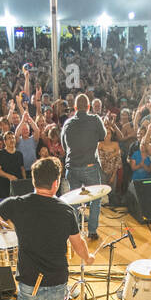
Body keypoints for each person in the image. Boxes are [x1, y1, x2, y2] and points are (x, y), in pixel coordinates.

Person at [0, 156, 94, 300]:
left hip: (29, 281)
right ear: (56, 183)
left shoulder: (16, 204)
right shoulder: (67, 211)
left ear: (34, 181)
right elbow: (78, 244)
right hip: (57, 281)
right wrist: (88, 258)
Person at [60, 94, 107, 239]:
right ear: (88, 107)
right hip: (90, 166)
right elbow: (103, 136)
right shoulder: (95, 119)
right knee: (96, 199)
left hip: (72, 167)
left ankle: (75, 231)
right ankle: (92, 231)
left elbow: (64, 146)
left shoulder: (67, 123)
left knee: (74, 201)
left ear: (74, 108)